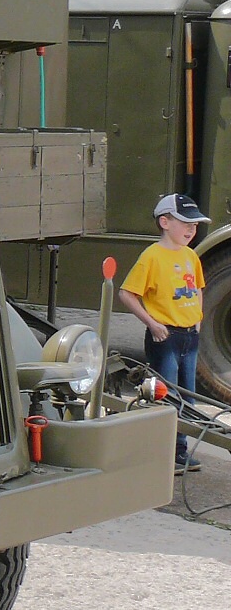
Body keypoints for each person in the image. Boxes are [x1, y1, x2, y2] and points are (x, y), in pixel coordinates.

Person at [118, 193, 210, 471]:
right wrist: (153, 323)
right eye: (186, 224)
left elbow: (198, 289)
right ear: (165, 222)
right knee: (165, 394)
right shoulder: (151, 257)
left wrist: (199, 319)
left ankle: (179, 450)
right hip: (165, 335)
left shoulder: (191, 255)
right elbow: (127, 293)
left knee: (187, 396)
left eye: (195, 225)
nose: (191, 230)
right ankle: (161, 451)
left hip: (189, 336)